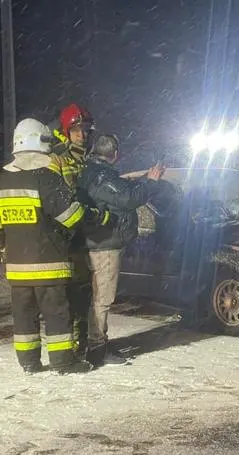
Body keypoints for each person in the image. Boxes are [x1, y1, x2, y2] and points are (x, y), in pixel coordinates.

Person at [0, 119, 106, 374]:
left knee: (24, 316)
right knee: (57, 314)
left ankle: (29, 362)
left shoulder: (2, 178)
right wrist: (97, 216)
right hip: (48, 263)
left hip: (16, 267)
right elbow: (70, 216)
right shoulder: (45, 177)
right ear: (40, 142)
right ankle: (63, 362)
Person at [76, 134, 165, 366]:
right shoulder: (101, 175)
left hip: (96, 242)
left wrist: (142, 180)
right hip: (104, 245)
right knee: (102, 299)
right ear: (115, 154)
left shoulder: (92, 172)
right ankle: (97, 349)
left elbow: (120, 191)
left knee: (95, 297)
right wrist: (150, 182)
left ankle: (88, 343)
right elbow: (127, 198)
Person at [47, 103, 96, 356]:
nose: (82, 135)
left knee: (85, 293)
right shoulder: (57, 159)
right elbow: (54, 199)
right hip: (67, 238)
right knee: (69, 295)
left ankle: (83, 343)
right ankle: (72, 347)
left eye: (85, 129)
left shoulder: (91, 159)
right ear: (67, 131)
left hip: (89, 236)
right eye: (77, 130)